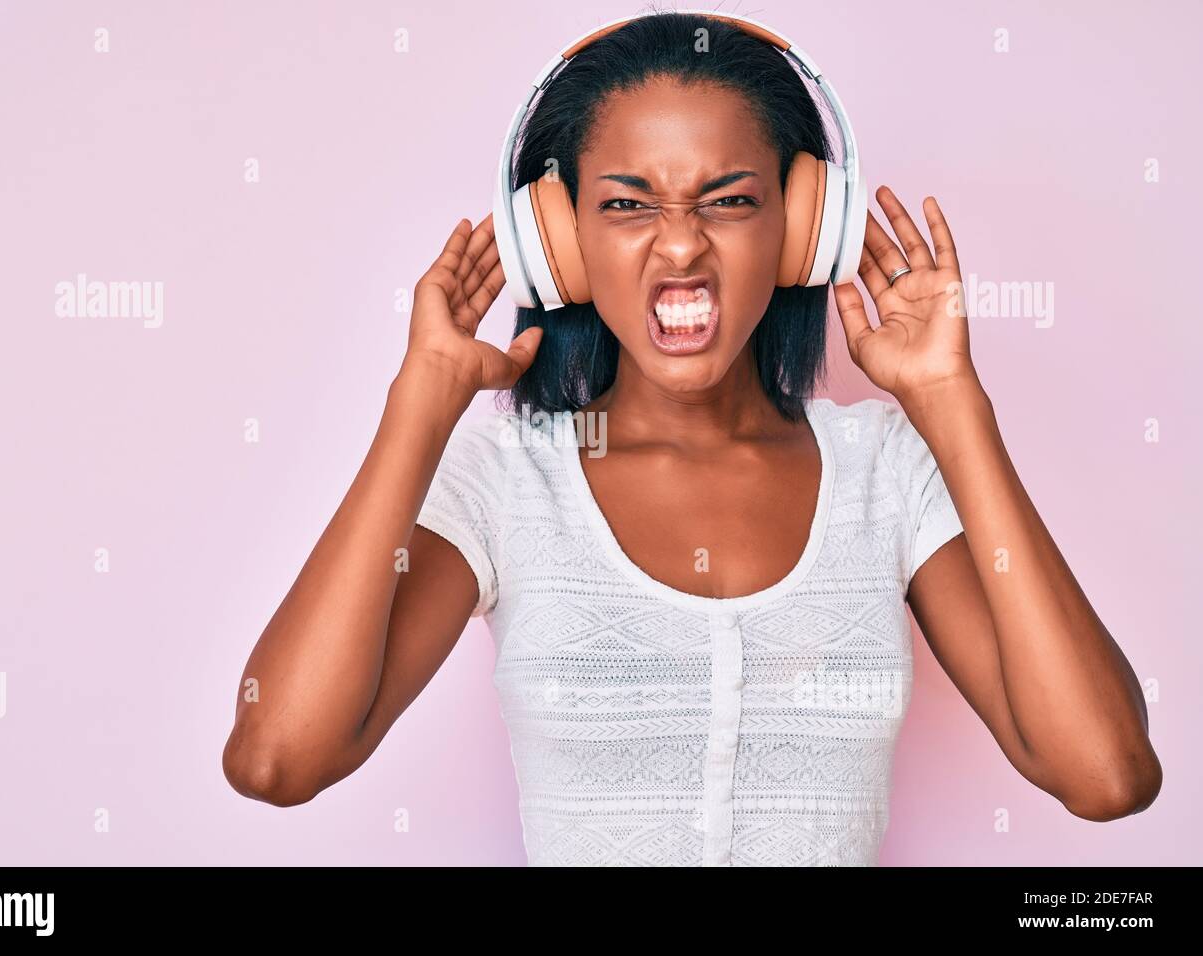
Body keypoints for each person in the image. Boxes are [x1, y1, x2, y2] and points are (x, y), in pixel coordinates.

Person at [222, 10, 1161, 865]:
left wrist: (954, 402)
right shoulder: (509, 476)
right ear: (562, 243)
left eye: (730, 200)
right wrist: (418, 406)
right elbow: (278, 758)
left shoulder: (888, 469)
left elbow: (1107, 774)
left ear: (804, 230)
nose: (679, 246)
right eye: (627, 204)